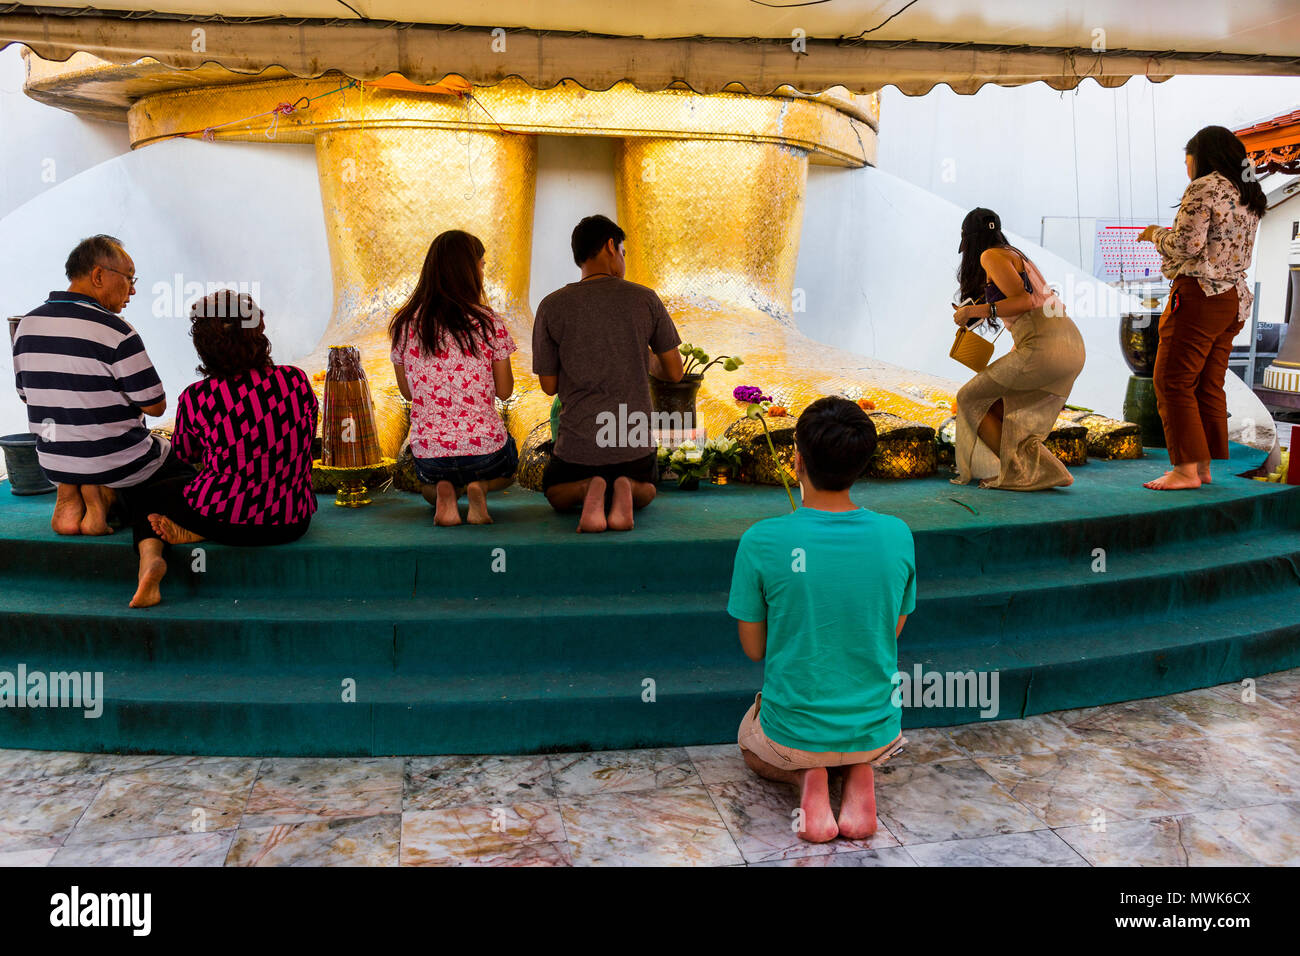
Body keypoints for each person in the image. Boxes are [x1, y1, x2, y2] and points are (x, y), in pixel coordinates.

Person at [728, 397, 913, 844]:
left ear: (797, 462)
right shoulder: (897, 534)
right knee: (857, 723)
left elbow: (755, 649)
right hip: (876, 730)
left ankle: (808, 780)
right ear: (863, 463)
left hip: (794, 734)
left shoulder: (763, 540)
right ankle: (859, 770)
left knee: (748, 737)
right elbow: (889, 632)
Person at [12, 235, 185, 607]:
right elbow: (155, 405)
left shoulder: (26, 325)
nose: (133, 291)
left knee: (72, 429)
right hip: (118, 460)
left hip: (54, 460)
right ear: (98, 275)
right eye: (129, 278)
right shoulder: (116, 331)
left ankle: (73, 493)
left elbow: (26, 394)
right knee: (180, 472)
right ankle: (104, 497)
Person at [532, 214, 684, 532]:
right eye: (623, 252)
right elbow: (674, 372)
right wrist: (644, 357)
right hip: (633, 444)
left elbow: (549, 386)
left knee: (556, 492)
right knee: (649, 488)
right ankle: (627, 487)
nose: (623, 259)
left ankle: (589, 488)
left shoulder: (552, 306)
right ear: (610, 246)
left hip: (578, 449)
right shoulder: (645, 299)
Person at [1137, 125, 1266, 491]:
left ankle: (1185, 470)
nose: (1186, 168)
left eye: (1186, 159)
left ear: (1201, 156)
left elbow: (1187, 245)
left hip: (1200, 294)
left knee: (1173, 380)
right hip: (1232, 301)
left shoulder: (1205, 186)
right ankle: (1203, 466)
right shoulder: (1247, 194)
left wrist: (1155, 235)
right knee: (1207, 383)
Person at [146, 290, 318, 553]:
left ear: (203, 346)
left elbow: (185, 454)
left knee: (149, 494)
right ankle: (193, 532)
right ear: (258, 334)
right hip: (293, 521)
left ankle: (153, 558)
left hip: (223, 520)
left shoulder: (196, 397)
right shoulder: (296, 380)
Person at [949, 208, 1086, 491]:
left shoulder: (990, 255)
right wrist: (981, 312)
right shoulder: (1016, 255)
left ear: (970, 242)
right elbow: (1032, 303)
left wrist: (973, 311)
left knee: (970, 399)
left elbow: (1022, 301)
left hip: (1044, 346)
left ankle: (1023, 472)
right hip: (1068, 344)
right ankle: (1037, 470)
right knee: (998, 406)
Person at [389, 230, 518, 525]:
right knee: (510, 467)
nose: (483, 272)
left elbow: (408, 394)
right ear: (468, 270)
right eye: (482, 265)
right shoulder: (489, 322)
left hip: (431, 456)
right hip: (486, 453)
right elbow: (505, 390)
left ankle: (444, 491)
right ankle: (480, 487)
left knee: (427, 489)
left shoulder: (405, 324)